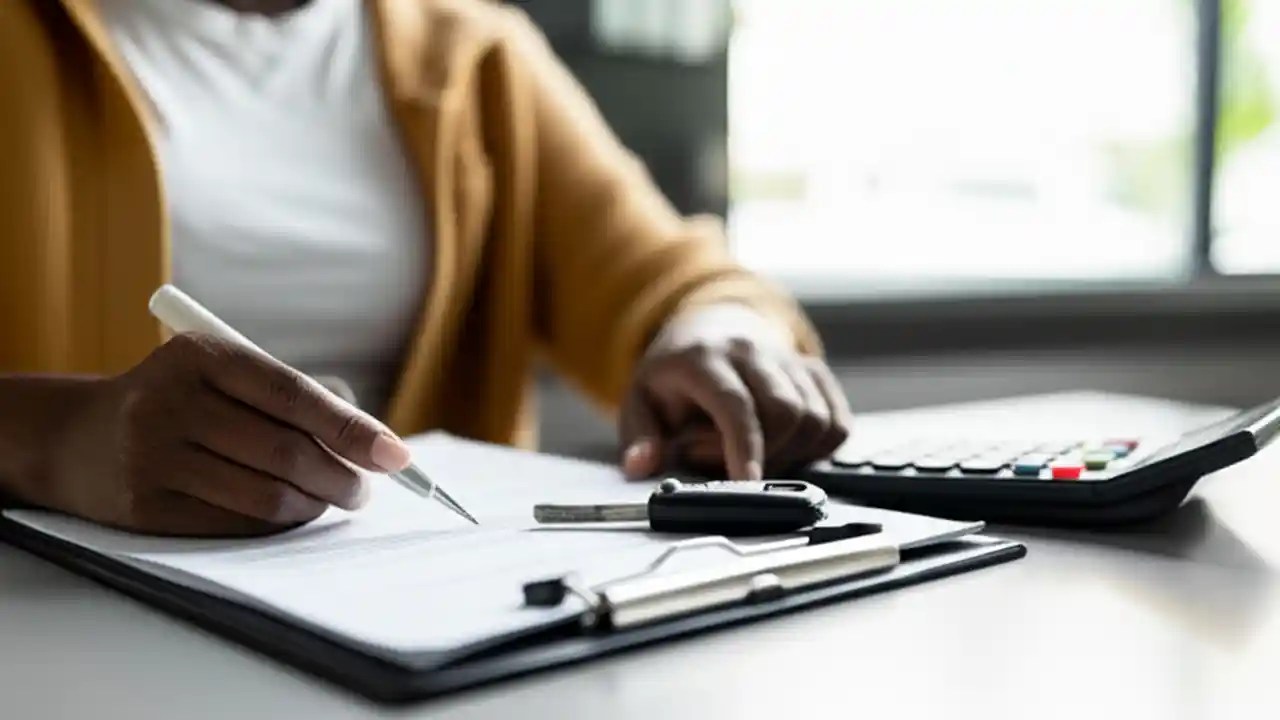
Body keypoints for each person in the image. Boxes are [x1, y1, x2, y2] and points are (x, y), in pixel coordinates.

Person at [0, 0, 850, 536]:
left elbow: (678, 282)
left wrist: (717, 335)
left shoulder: (477, 57)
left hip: (404, 625)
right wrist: (48, 441)